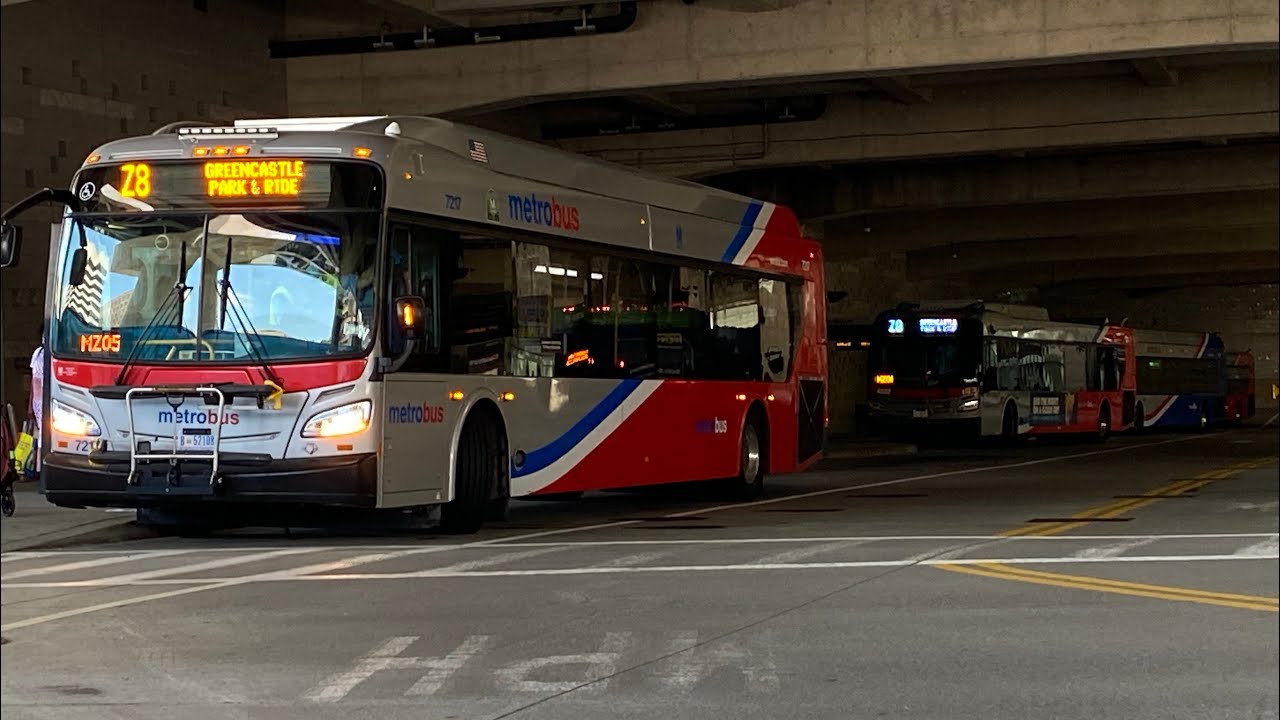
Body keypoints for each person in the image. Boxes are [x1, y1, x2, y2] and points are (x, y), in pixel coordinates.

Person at [28, 321, 45, 475]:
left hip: (46, 400)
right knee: (41, 433)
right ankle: (39, 469)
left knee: (43, 434)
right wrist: (30, 406)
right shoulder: (38, 354)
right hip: (39, 402)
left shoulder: (49, 354)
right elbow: (34, 381)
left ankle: (40, 469)